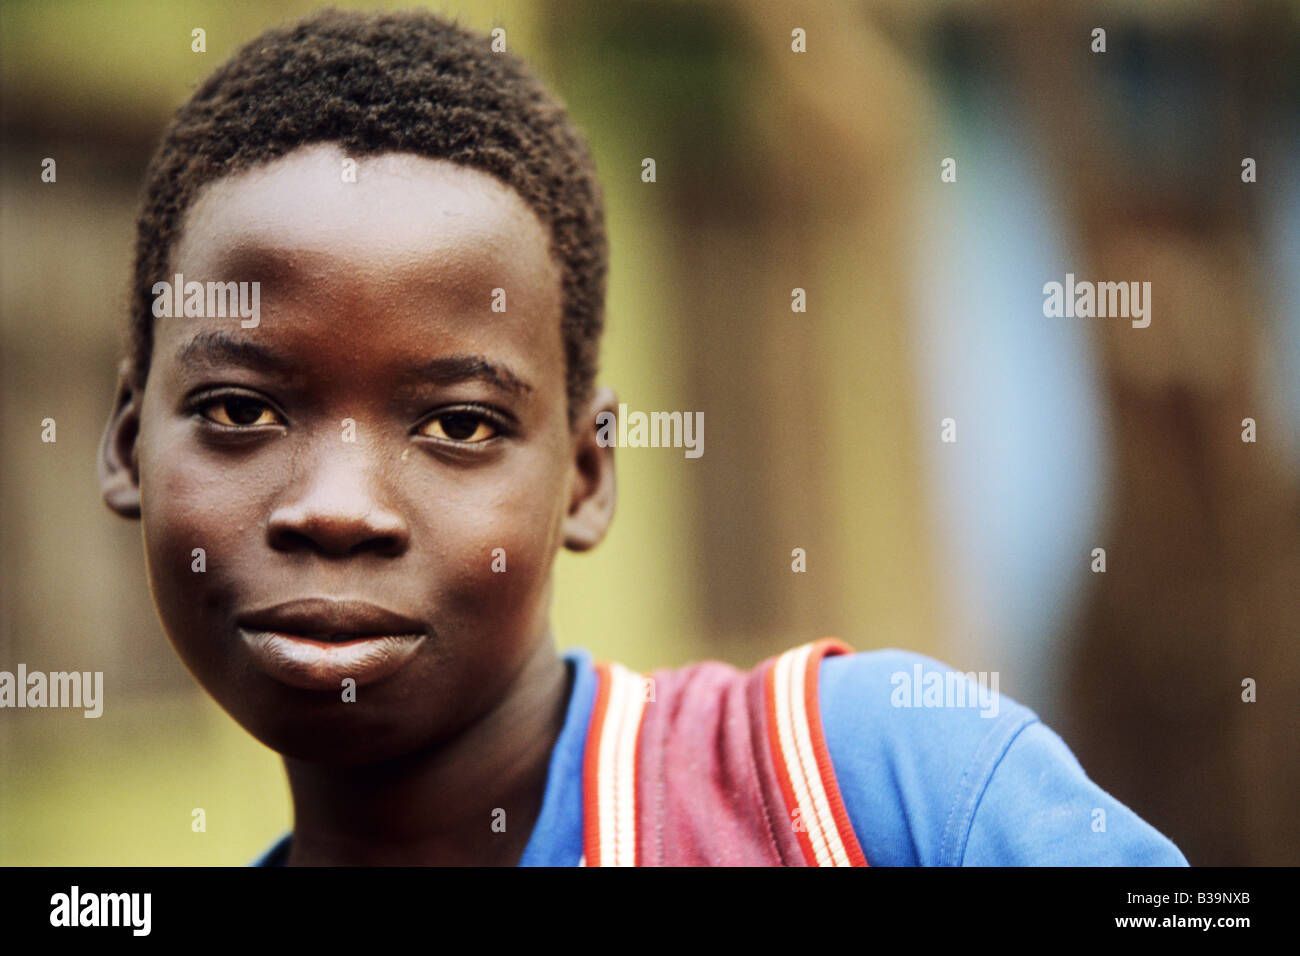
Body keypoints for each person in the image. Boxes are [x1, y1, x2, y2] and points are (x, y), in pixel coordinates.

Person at [97, 8, 1186, 866]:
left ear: (584, 475)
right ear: (127, 445)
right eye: (239, 410)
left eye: (460, 423)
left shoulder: (869, 785)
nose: (337, 508)